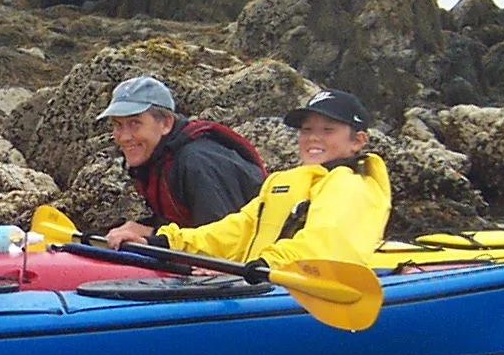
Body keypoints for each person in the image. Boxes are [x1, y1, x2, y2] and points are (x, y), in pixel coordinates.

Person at [150, 88, 390, 271]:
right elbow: (236, 231)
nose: (313, 138)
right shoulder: (284, 183)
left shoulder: (352, 185)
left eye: (328, 130)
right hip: (263, 278)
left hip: (289, 286)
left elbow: (324, 243)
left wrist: (264, 265)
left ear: (357, 141)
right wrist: (168, 241)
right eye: (307, 130)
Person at [95, 75, 266, 249]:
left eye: (135, 123)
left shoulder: (197, 163)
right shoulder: (155, 158)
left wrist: (150, 236)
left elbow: (223, 243)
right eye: (117, 125)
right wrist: (145, 229)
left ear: (166, 123)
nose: (124, 137)